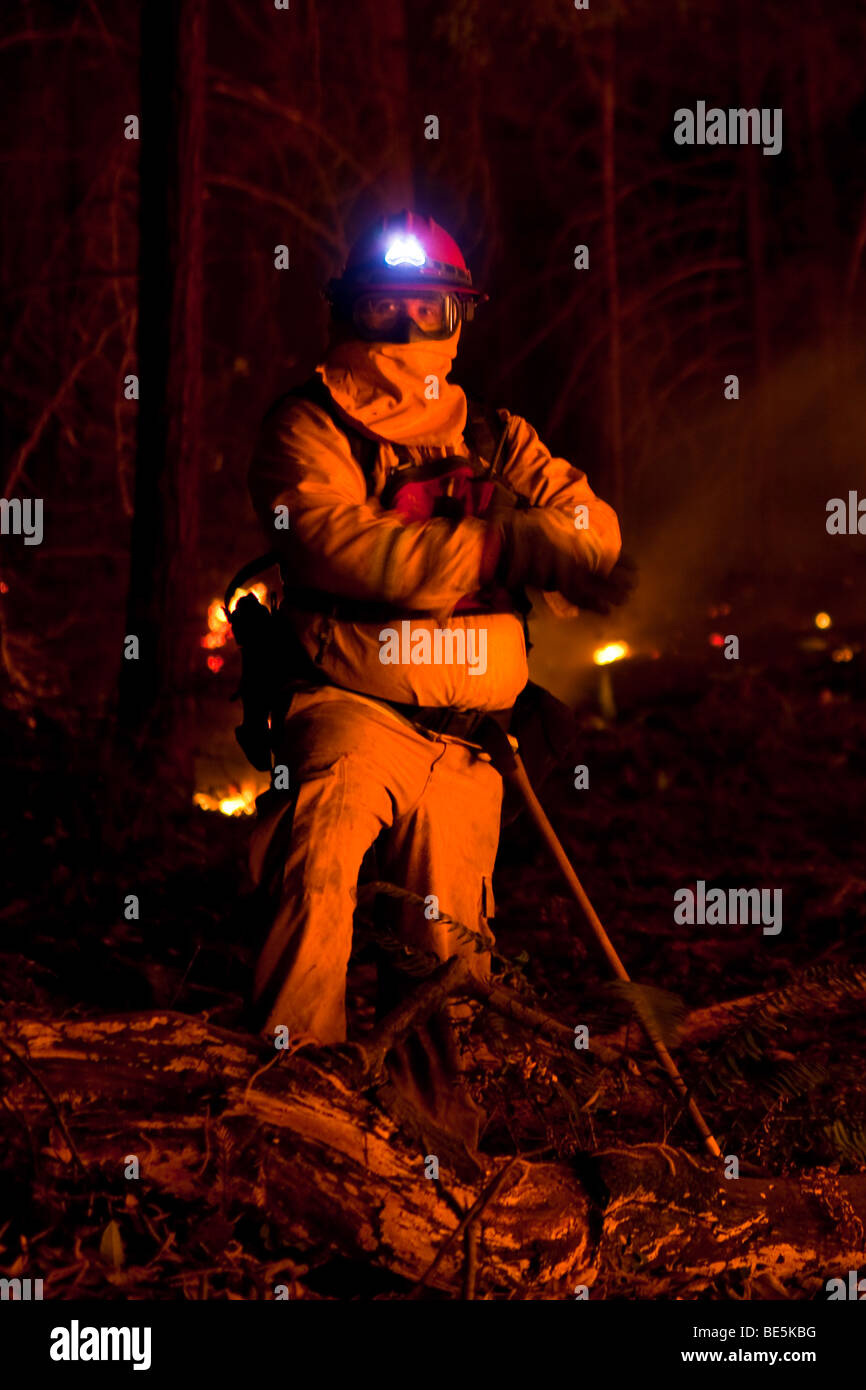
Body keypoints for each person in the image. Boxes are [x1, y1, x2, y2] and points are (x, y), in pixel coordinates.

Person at [246, 210, 630, 1146]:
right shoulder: (309, 422)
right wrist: (500, 544)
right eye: (389, 304)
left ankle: (431, 1157)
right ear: (352, 309)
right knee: (319, 862)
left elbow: (597, 532)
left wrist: (546, 539)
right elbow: (337, 544)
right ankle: (295, 1113)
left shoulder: (496, 436)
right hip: (352, 709)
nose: (410, 326)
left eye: (429, 306)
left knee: (450, 953)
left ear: (459, 318)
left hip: (469, 739)